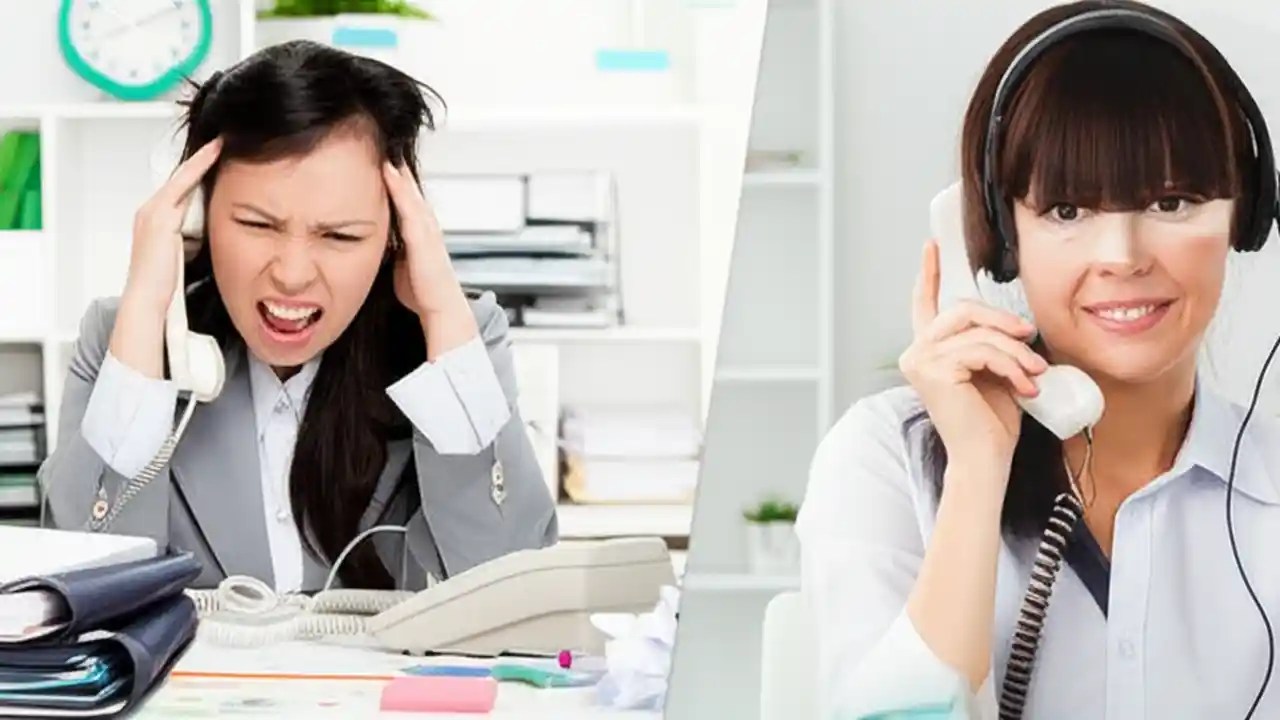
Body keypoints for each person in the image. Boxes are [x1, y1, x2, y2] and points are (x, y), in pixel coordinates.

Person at [795, 2, 1280, 718]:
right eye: (1067, 212)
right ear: (998, 235)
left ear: (1245, 216)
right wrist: (977, 470)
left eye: (1172, 202)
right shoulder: (883, 460)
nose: (1123, 258)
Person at [38, 40, 558, 593]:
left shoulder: (454, 341)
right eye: (258, 225)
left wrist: (441, 316)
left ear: (397, 235)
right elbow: (77, 602)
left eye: (340, 235)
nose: (291, 274)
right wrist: (147, 304)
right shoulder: (126, 340)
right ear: (198, 212)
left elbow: (516, 596)